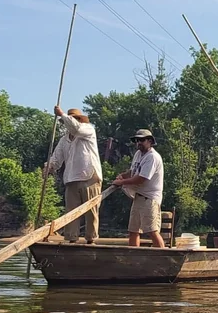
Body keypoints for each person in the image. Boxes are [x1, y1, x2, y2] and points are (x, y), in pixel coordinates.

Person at [44, 106, 102, 244]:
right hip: (71, 179)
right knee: (71, 212)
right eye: (69, 120)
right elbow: (56, 159)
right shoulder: (64, 140)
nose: (71, 122)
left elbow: (76, 128)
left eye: (74, 119)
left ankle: (91, 240)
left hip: (89, 176)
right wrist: (49, 167)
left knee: (91, 211)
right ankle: (72, 239)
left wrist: (62, 114)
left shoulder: (87, 130)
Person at [112, 129, 165, 248]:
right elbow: (133, 171)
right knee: (133, 230)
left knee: (152, 231)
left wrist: (121, 182)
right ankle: (133, 259)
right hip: (138, 197)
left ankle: (163, 258)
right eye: (137, 140)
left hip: (150, 198)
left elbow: (141, 178)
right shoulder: (138, 154)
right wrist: (123, 175)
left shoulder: (152, 157)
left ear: (150, 141)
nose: (138, 142)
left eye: (141, 140)